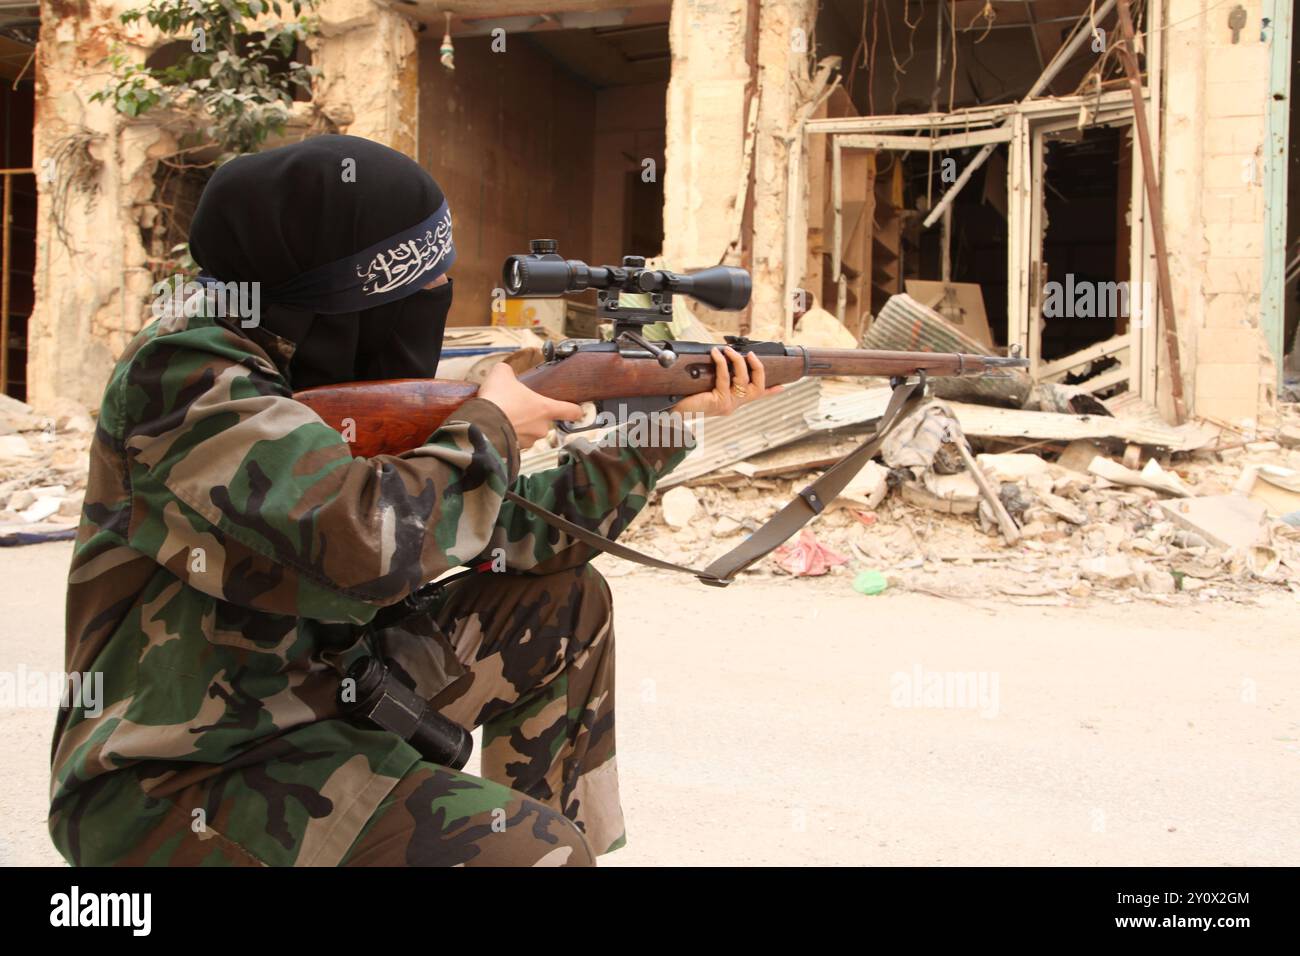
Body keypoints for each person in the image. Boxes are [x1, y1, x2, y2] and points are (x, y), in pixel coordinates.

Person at [49, 134, 775, 866]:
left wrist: (661, 427)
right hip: (182, 774)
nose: (433, 303)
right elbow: (368, 545)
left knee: (565, 603)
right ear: (344, 292)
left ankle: (524, 834)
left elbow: (531, 537)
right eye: (418, 289)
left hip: (322, 697)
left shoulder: (324, 357)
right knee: (535, 857)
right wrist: (492, 425)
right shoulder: (186, 373)